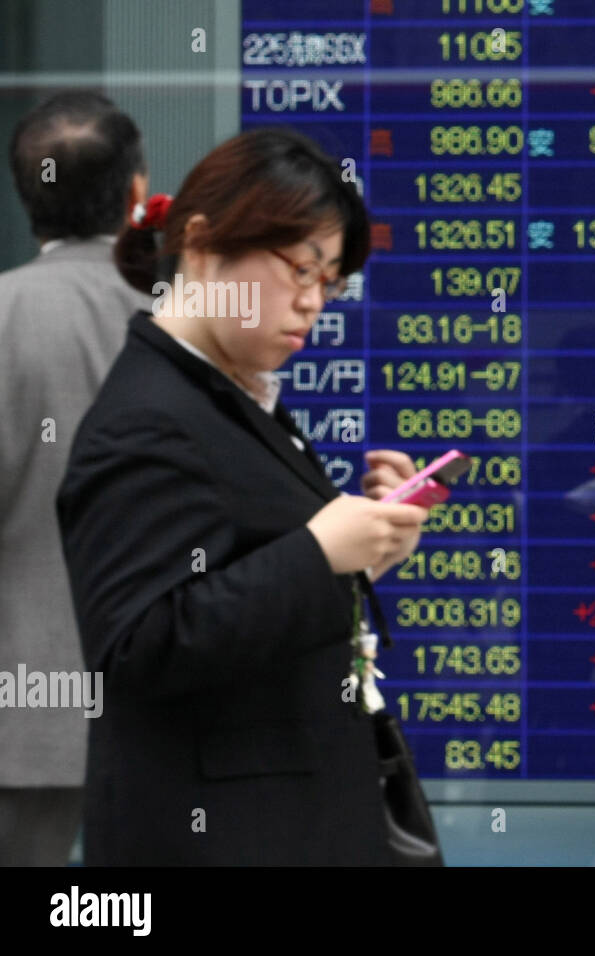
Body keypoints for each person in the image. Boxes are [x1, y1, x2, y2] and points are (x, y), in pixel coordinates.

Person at [56, 128, 430, 865]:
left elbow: (251, 583)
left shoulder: (228, 397)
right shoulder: (146, 418)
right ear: (202, 243)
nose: (312, 302)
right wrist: (322, 553)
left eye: (328, 283)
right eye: (300, 268)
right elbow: (137, 644)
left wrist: (365, 552)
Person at [0, 91, 151, 866]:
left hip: (22, 711)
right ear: (136, 193)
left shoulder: (5, 315)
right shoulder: (191, 319)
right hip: (171, 707)